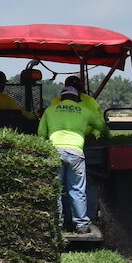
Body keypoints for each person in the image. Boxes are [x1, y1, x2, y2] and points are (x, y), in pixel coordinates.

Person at [38, 84, 107, 233]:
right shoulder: (85, 111)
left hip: (55, 152)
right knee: (77, 190)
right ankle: (81, 225)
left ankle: (57, 224)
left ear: (61, 98)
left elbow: (41, 133)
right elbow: (102, 126)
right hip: (76, 153)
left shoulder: (49, 111)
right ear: (77, 99)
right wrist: (107, 138)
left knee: (55, 190)